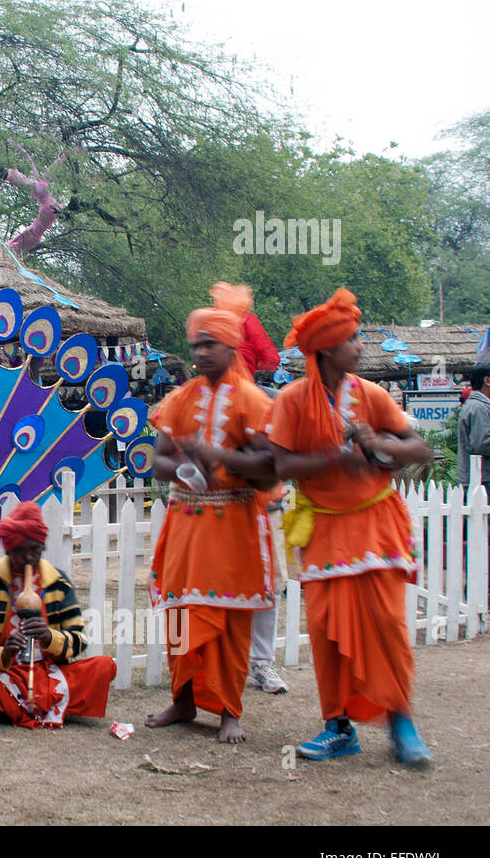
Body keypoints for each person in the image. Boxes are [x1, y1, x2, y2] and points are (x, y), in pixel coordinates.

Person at [269, 288, 434, 766]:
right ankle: (338, 728)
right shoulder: (293, 399)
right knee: (325, 629)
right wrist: (334, 455)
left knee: (386, 623)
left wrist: (378, 441)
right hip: (324, 526)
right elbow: (279, 464)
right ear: (326, 349)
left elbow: (419, 450)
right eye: (353, 339)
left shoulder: (372, 395)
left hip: (376, 524)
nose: (360, 346)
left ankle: (401, 723)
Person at [146, 307, 278, 744]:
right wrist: (187, 467)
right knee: (180, 612)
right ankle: (182, 701)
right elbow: (158, 460)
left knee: (229, 618)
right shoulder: (179, 398)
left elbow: (270, 469)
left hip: (233, 522)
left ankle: (229, 712)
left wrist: (222, 460)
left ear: (231, 347)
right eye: (196, 346)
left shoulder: (253, 401)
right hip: (185, 520)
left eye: (210, 345)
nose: (201, 353)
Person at [0, 501, 116, 727]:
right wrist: (3, 653)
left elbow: (79, 640)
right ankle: (42, 706)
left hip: (49, 672)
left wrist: (50, 638)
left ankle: (4, 709)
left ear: (42, 547)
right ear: (8, 550)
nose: (28, 558)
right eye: (20, 551)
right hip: (3, 672)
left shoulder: (57, 583)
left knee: (104, 666)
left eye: (34, 550)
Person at [210, 282, 289, 695]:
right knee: (217, 586)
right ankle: (224, 664)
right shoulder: (199, 397)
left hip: (262, 506)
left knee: (267, 585)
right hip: (216, 508)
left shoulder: (268, 400)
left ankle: (260, 663)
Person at [456, 365, 490, 490]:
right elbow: (482, 444)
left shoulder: (479, 406)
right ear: (487, 381)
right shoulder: (479, 407)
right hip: (482, 480)